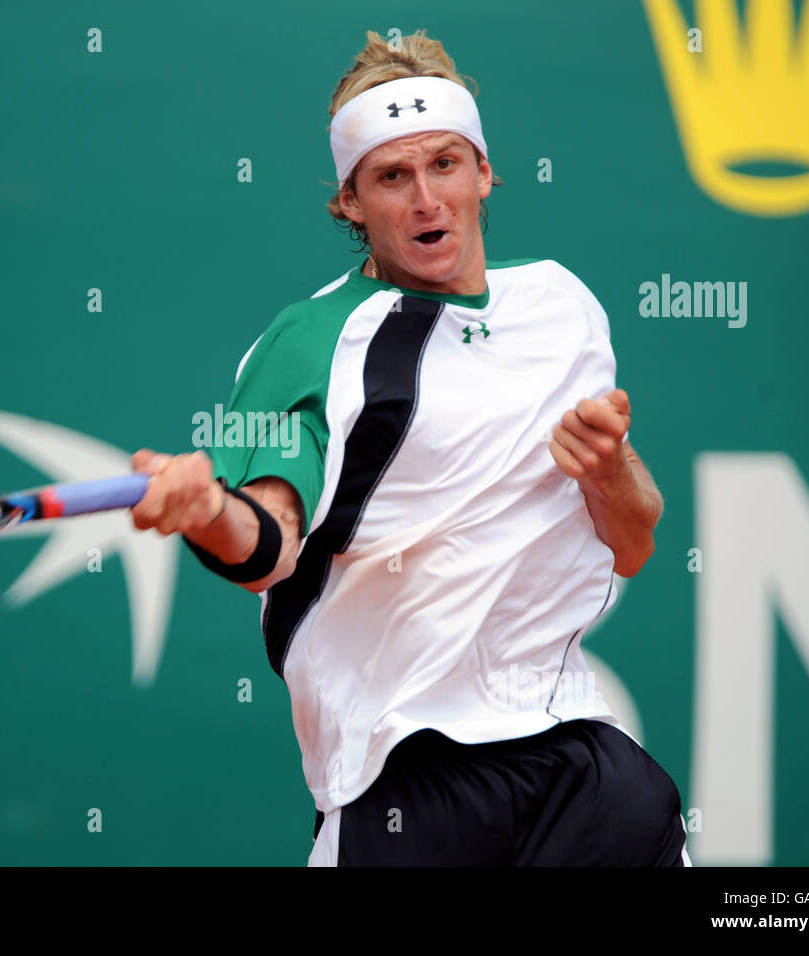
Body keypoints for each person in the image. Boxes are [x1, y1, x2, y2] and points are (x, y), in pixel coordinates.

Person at [130, 29, 690, 866]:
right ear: (349, 202)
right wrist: (211, 509)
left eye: (446, 164)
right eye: (392, 177)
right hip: (404, 782)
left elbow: (635, 542)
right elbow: (269, 543)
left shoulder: (561, 307)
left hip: (582, 761)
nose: (427, 200)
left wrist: (610, 468)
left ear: (486, 173)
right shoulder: (313, 342)